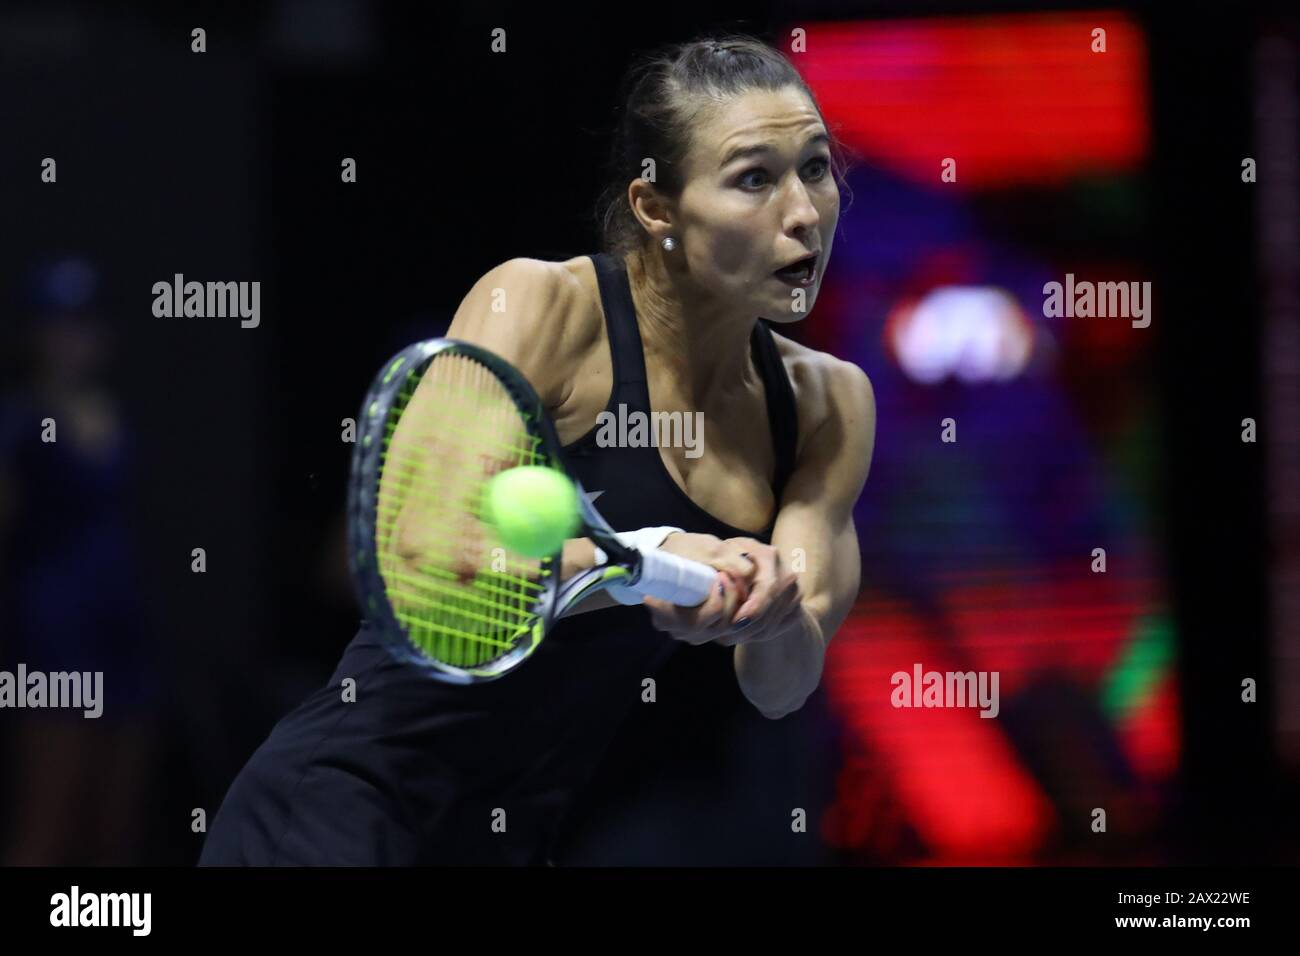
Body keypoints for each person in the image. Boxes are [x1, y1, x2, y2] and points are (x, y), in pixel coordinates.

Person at [200, 34, 875, 866]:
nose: (803, 211)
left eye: (814, 167)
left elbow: (782, 686)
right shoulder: (538, 305)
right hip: (338, 811)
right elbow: (421, 555)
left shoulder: (827, 403)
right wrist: (647, 557)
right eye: (753, 179)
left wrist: (769, 613)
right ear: (655, 207)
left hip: (511, 839)